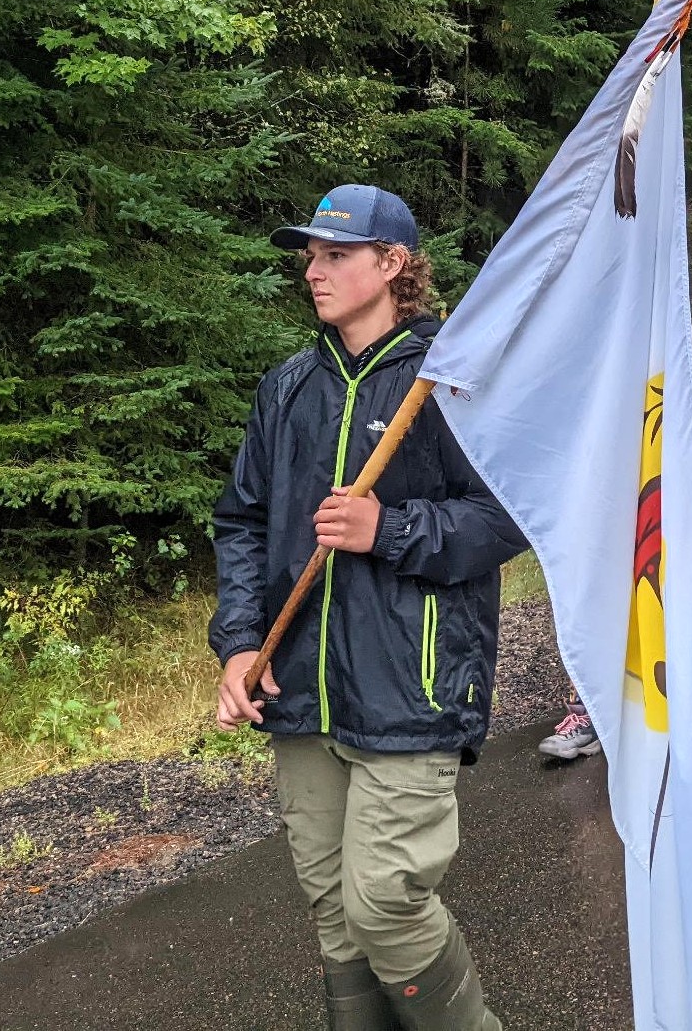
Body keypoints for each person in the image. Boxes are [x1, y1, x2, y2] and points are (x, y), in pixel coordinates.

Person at [211, 185, 524, 1031]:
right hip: (300, 686)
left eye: (335, 254)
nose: (314, 271)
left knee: (384, 901)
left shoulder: (449, 383)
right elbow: (241, 521)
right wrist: (241, 646)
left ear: (392, 265)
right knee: (335, 913)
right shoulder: (288, 388)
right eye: (310, 255)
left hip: (412, 684)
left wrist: (390, 527)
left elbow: (505, 519)